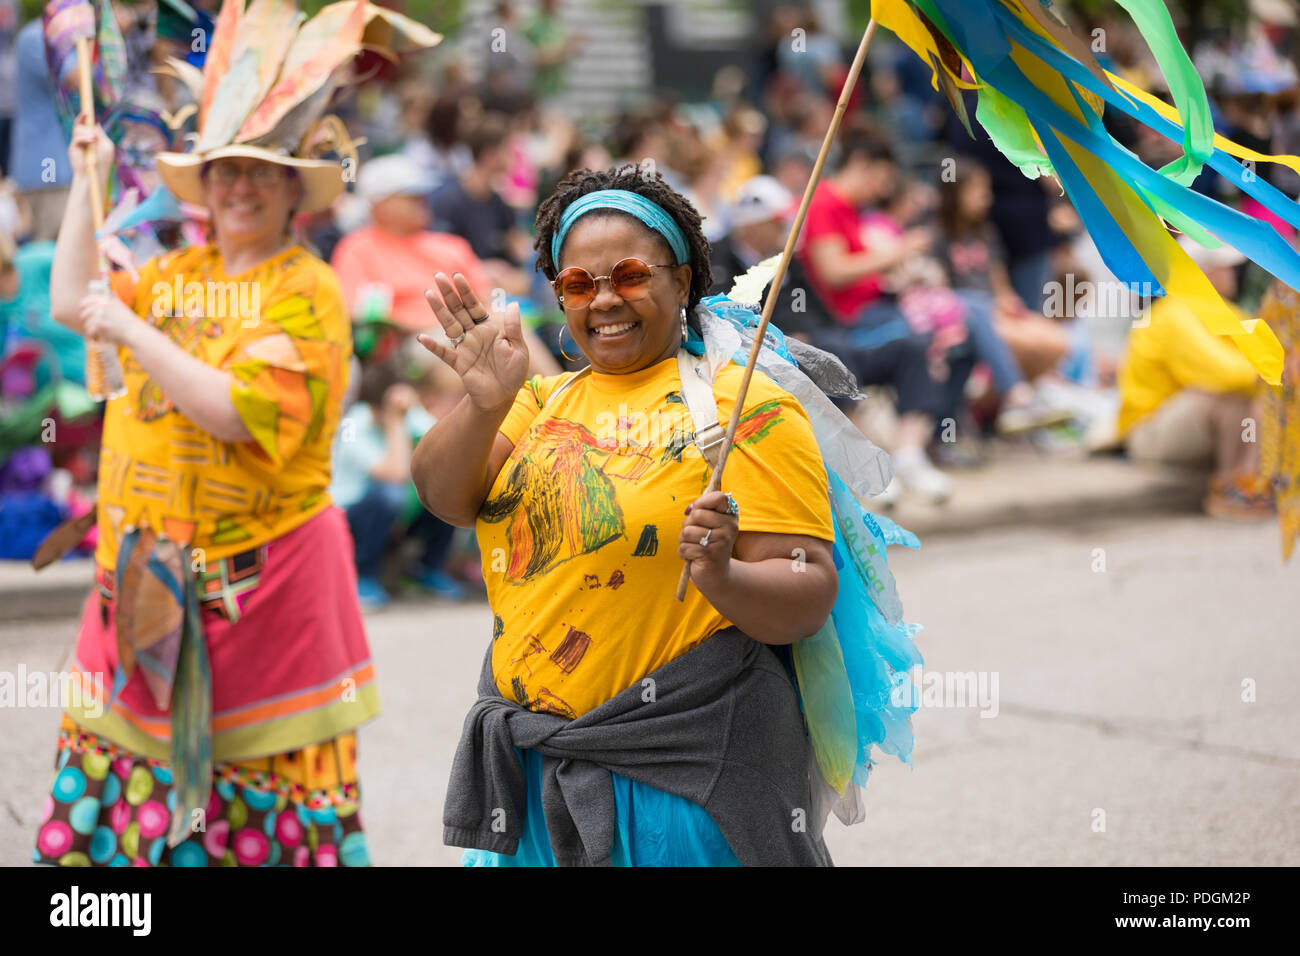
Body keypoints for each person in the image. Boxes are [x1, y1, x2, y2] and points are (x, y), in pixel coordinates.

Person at [412, 165, 843, 866]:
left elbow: (807, 595)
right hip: (533, 772)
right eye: (578, 283)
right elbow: (444, 497)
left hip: (683, 779)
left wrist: (723, 577)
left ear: (683, 281)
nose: (604, 299)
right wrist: (485, 403)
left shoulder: (745, 409)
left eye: (631, 275)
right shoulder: (538, 401)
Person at [34, 76, 381, 864]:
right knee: (116, 776)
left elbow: (238, 411)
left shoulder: (310, 289)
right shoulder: (173, 275)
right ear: (205, 186)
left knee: (255, 799)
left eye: (261, 170)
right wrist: (96, 170)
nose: (241, 186)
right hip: (141, 571)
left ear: (294, 188)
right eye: (225, 170)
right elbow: (68, 302)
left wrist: (130, 329)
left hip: (264, 586)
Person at [798, 133, 953, 499]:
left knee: (919, 346)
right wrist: (899, 251)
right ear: (861, 165)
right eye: (882, 179)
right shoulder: (825, 204)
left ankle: (909, 455)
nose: (883, 190)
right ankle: (866, 461)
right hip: (838, 327)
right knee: (847, 354)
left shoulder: (852, 210)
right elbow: (833, 272)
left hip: (869, 316)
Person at [1117, 239, 1272, 519]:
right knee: (1228, 394)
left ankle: (1250, 482)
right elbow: (1225, 373)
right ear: (1203, 271)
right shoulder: (1174, 313)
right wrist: (1279, 373)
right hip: (1146, 436)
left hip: (1178, 425)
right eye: (1224, 268)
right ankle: (1231, 486)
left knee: (1259, 395)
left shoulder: (1219, 311)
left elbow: (1264, 354)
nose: (1233, 274)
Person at [330, 358, 464, 608]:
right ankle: (363, 575)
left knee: (447, 483)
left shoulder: (405, 413)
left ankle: (427, 568)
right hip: (349, 515)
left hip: (390, 515)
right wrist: (395, 421)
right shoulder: (352, 425)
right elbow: (396, 474)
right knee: (390, 494)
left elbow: (444, 443)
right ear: (375, 406)